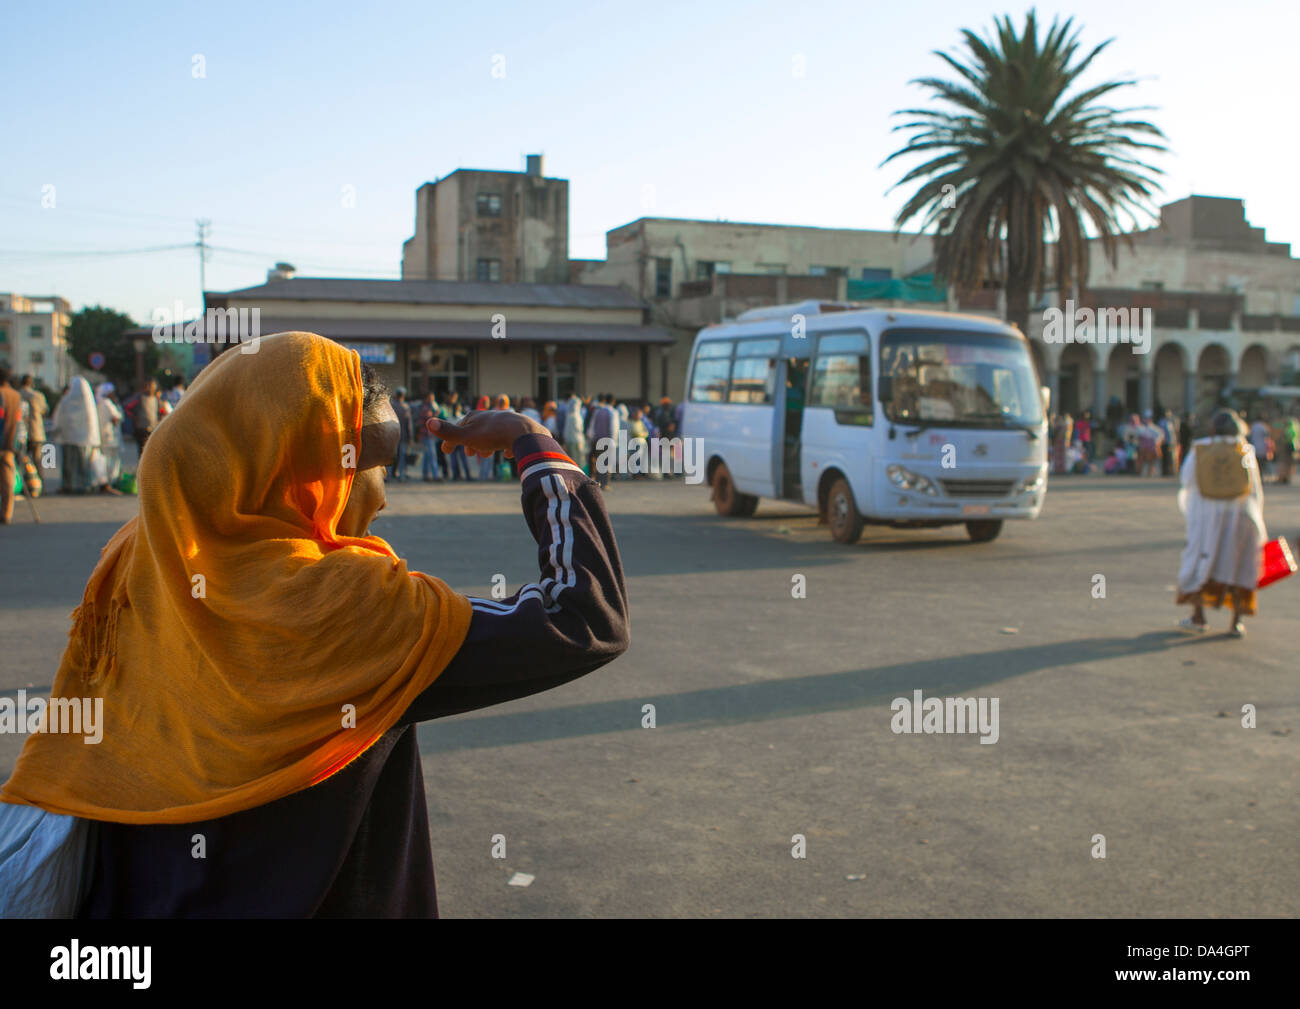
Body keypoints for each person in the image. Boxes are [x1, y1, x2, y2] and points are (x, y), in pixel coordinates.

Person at [0, 331, 629, 917]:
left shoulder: (139, 560)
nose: (380, 497)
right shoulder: (347, 607)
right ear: (287, 465)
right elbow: (582, 615)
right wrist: (535, 448)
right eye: (362, 467)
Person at [1175, 409, 1266, 638]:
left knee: (1201, 564)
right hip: (1242, 516)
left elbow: (1187, 480)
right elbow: (1253, 486)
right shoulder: (1244, 448)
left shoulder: (1200, 448)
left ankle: (1198, 617)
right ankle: (1236, 622)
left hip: (1208, 517)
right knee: (1239, 567)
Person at [51, 376, 101, 494]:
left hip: (68, 439)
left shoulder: (66, 401)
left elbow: (59, 418)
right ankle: (85, 485)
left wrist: (57, 431)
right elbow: (93, 423)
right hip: (85, 440)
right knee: (84, 464)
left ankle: (69, 485)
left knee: (69, 465)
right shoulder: (88, 404)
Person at [0, 366, 24, 524]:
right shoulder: (16, 395)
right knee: (7, 480)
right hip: (10, 443)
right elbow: (18, 419)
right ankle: (6, 513)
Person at [94, 382, 124, 494]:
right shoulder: (108, 403)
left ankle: (103, 482)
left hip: (102, 436)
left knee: (104, 459)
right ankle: (109, 483)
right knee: (112, 461)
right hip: (111, 437)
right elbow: (116, 418)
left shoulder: (97, 403)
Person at [19, 374, 48, 470]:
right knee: (37, 461)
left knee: (21, 461)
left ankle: (23, 483)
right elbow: (44, 411)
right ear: (32, 384)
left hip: (21, 433)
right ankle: (39, 483)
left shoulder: (17, 395)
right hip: (36, 432)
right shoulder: (38, 396)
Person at [415, 392, 444, 482]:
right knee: (432, 455)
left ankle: (425, 474)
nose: (432, 399)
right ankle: (435, 475)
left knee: (427, 456)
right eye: (431, 397)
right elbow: (429, 419)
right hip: (426, 434)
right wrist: (436, 413)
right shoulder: (425, 407)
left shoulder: (430, 406)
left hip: (430, 434)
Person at [130, 379, 162, 459]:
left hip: (153, 429)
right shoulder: (140, 398)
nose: (150, 388)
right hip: (142, 429)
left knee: (151, 452)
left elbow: (161, 411)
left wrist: (159, 421)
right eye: (148, 386)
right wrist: (135, 419)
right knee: (142, 452)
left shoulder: (156, 399)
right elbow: (128, 408)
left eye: (152, 386)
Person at [388, 387, 413, 482]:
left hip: (391, 435)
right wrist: (411, 437)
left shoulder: (391, 406)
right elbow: (409, 424)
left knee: (391, 457)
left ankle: (388, 475)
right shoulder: (405, 407)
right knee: (402, 457)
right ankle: (401, 475)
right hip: (403, 435)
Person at [562, 391, 586, 467]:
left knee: (572, 459)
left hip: (569, 440)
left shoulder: (569, 415)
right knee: (578, 460)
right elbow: (579, 429)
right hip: (577, 441)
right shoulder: (576, 416)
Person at [1272, 414, 1297, 485]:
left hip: (1287, 446)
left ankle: (1283, 477)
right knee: (1290, 463)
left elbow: (1276, 427)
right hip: (1292, 447)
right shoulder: (1293, 429)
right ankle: (1288, 477)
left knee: (1284, 462)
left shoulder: (1288, 430)